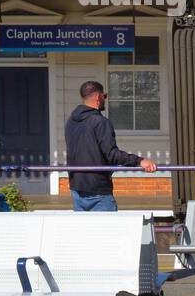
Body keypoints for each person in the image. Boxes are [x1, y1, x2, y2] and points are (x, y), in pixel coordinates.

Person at [64, 80, 157, 211]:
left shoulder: (71, 121)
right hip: (98, 190)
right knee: (111, 230)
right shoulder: (100, 122)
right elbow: (112, 154)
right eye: (105, 96)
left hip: (76, 188)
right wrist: (140, 161)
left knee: (85, 231)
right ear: (98, 97)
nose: (105, 100)